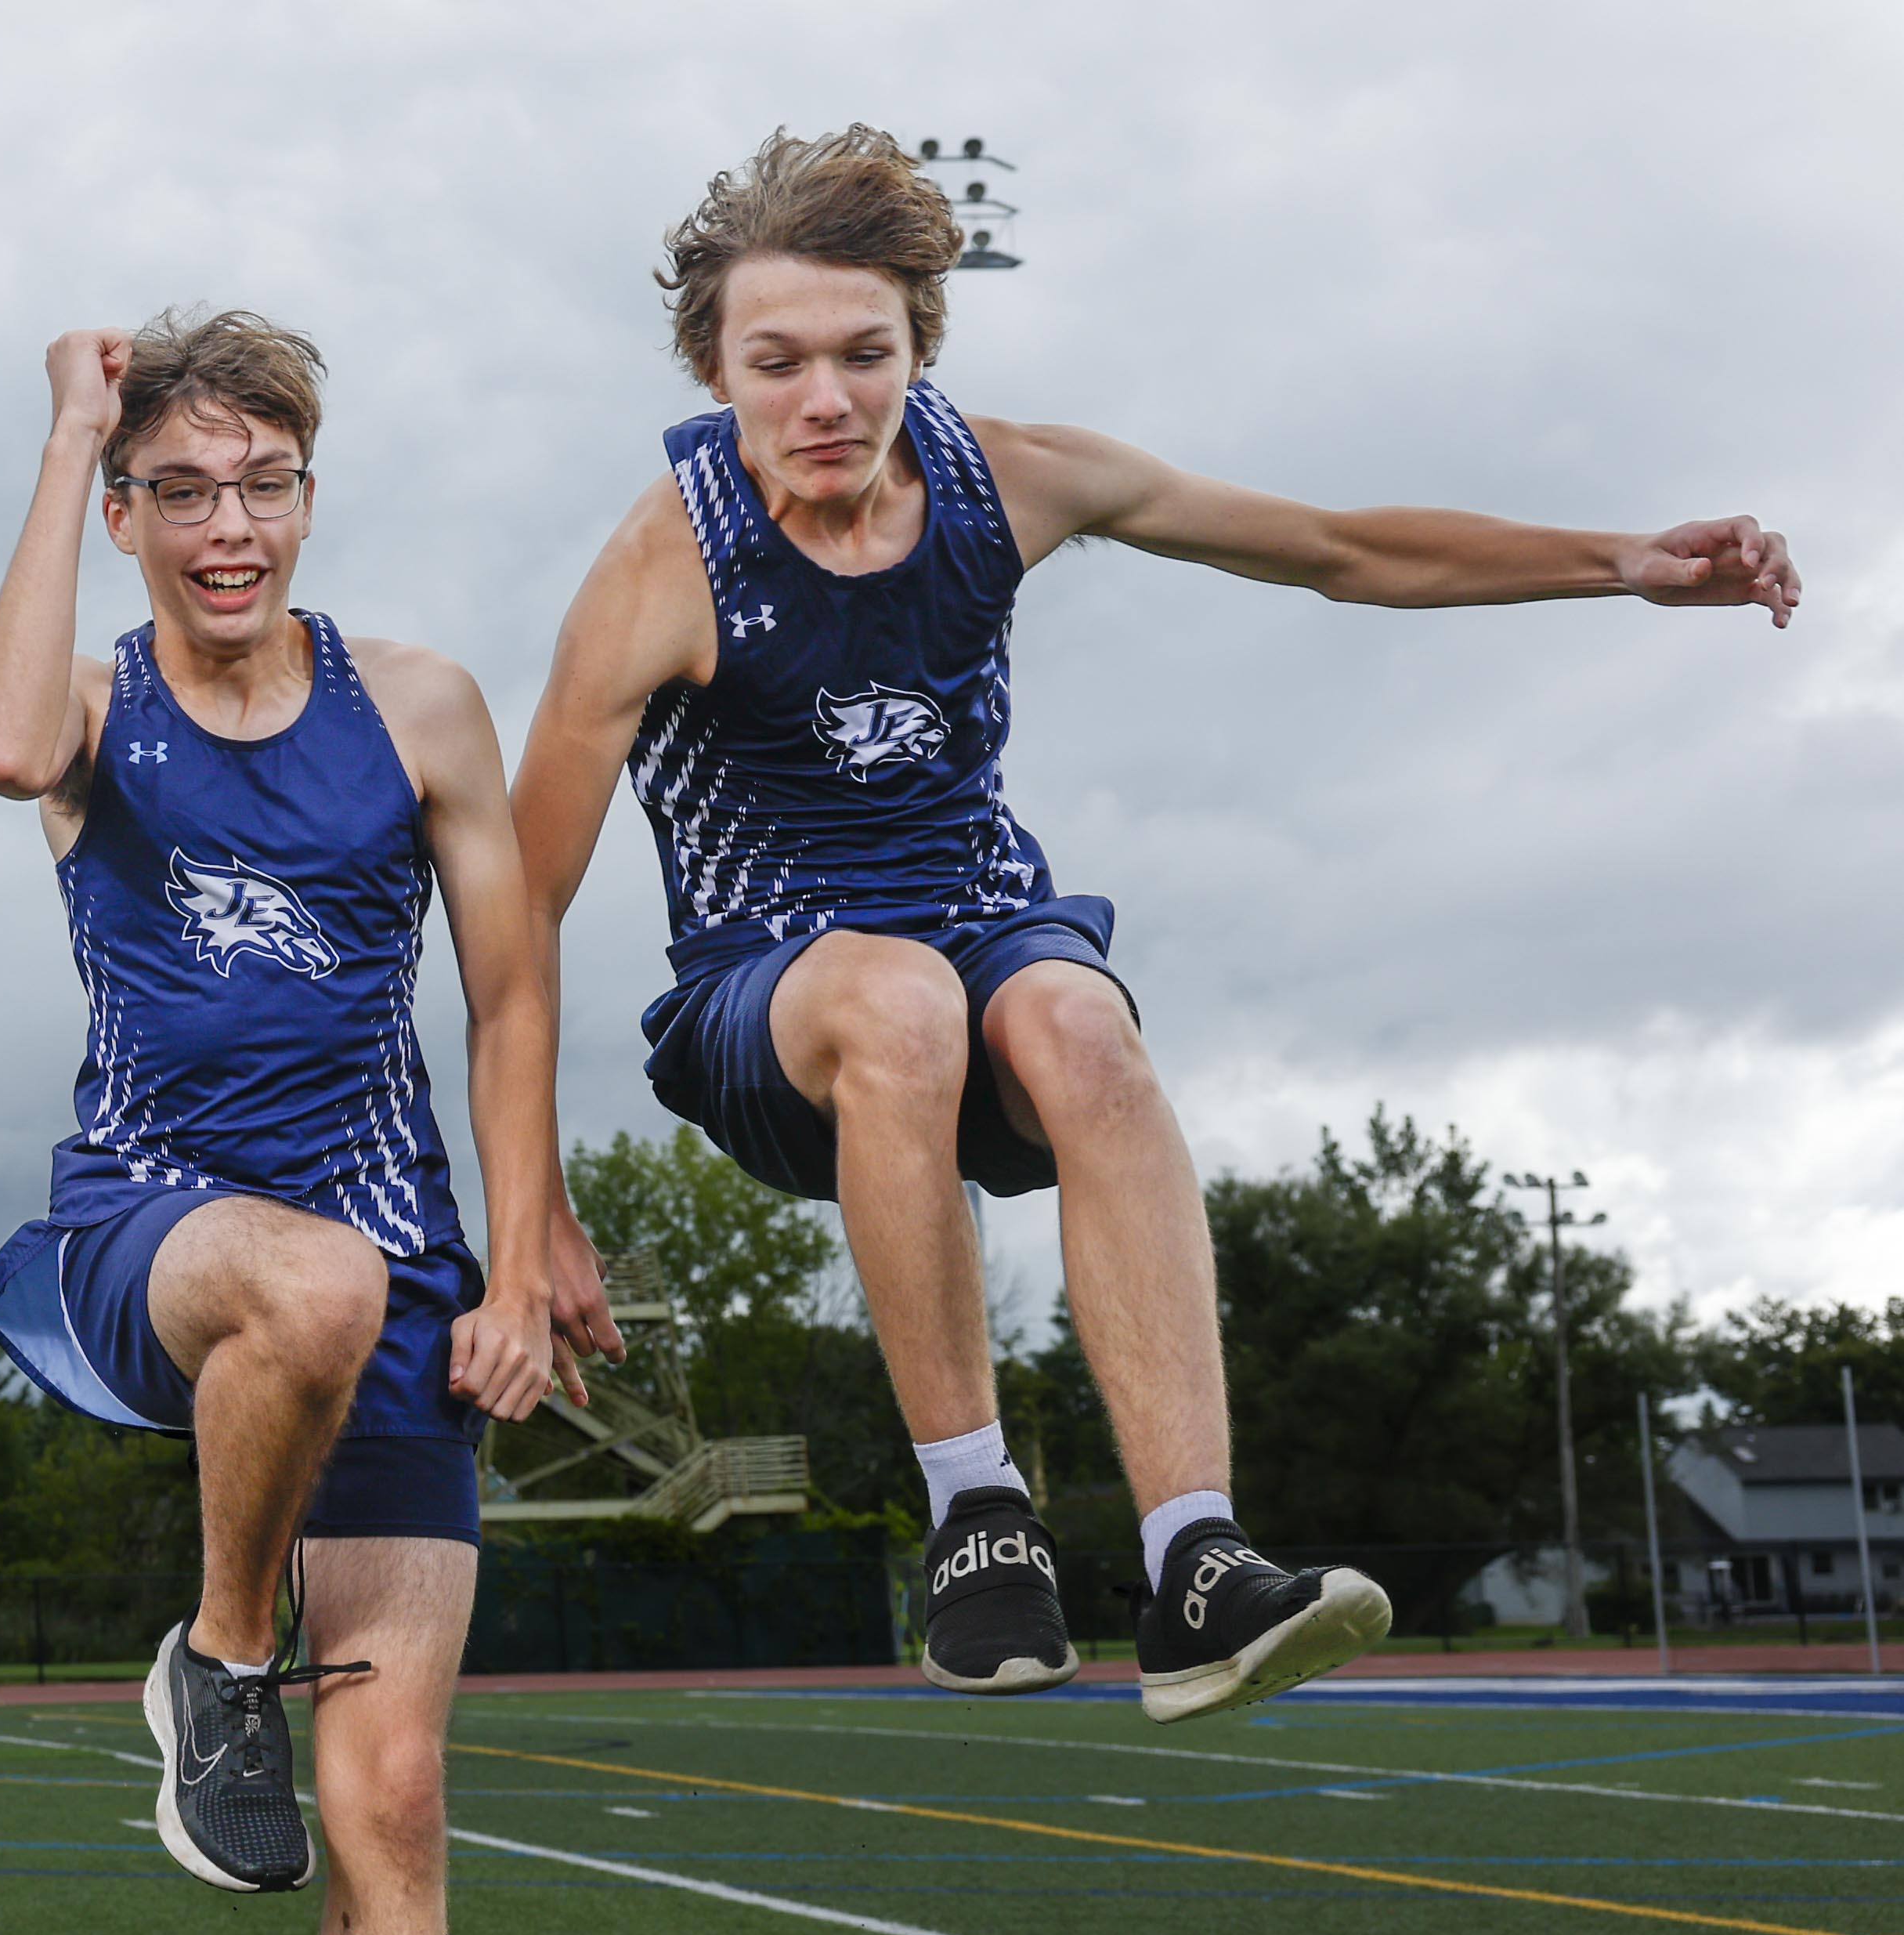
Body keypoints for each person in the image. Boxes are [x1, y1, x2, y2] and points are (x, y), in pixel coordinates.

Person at [511, 125, 1801, 1720]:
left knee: (1078, 1019)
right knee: (900, 1000)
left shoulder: (1014, 479)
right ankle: (980, 1520)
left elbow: (1337, 550)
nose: (826, 400)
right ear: (718, 368)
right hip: (771, 1015)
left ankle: (1199, 1563)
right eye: (778, 363)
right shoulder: (661, 566)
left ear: (922, 344)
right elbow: (518, 906)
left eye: (866, 353)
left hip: (979, 957)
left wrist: (1622, 562)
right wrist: (532, 1213)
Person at [0, 309, 565, 1935]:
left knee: (390, 1805)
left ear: (310, 492)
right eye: (183, 488)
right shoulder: (99, 704)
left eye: (265, 483)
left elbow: (505, 985)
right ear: (126, 510)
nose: (231, 525)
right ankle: (215, 1656)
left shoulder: (416, 706)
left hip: (394, 1284)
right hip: (156, 1242)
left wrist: (525, 1238)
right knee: (300, 1279)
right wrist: (59, 429)